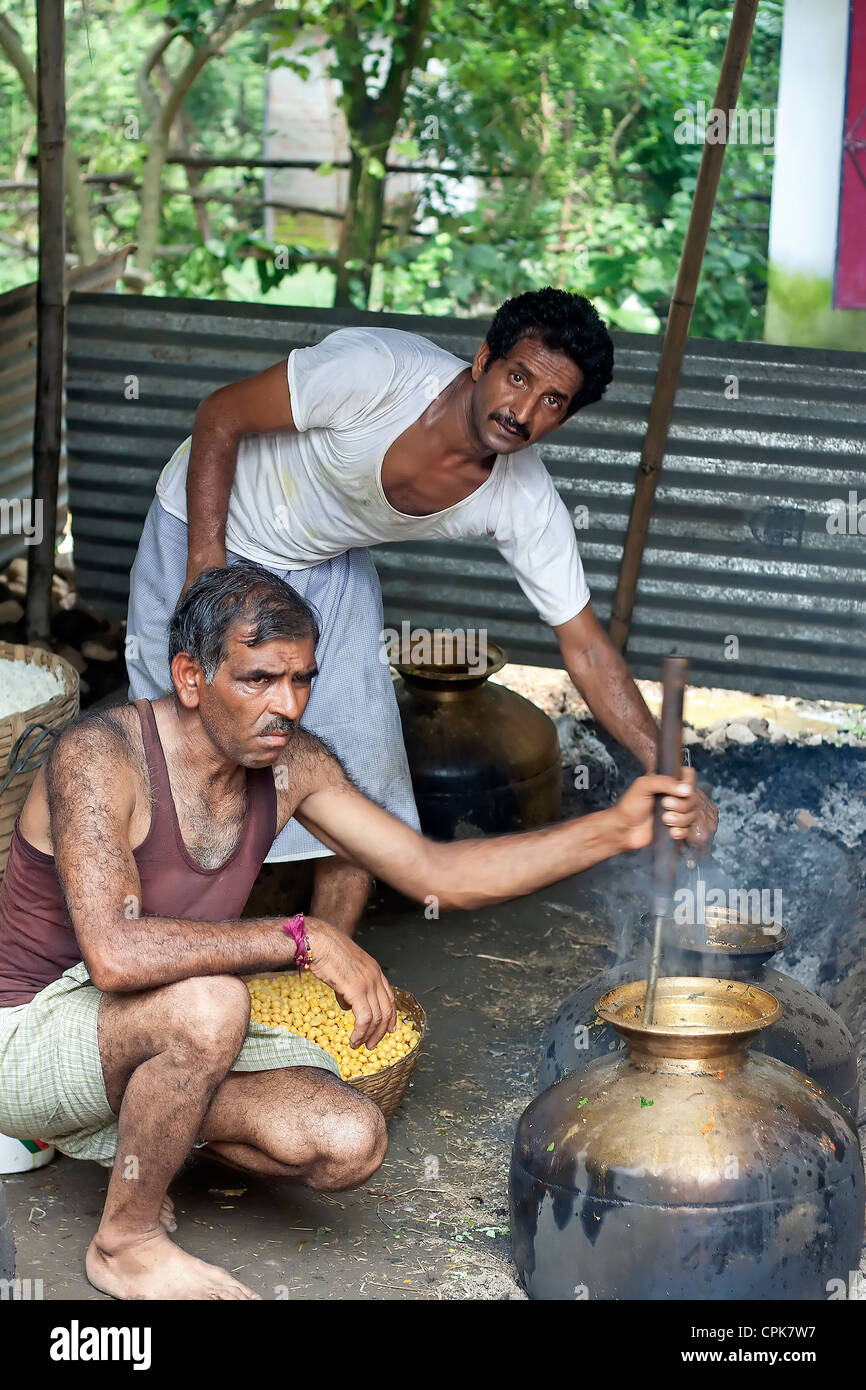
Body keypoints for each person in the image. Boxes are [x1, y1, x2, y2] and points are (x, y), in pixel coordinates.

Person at [0, 562, 698, 1301]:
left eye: (302, 679)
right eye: (260, 680)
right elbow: (113, 955)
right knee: (211, 1006)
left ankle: (143, 1146)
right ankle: (125, 1243)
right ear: (190, 677)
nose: (287, 706)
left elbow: (438, 873)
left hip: (145, 1036)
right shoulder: (99, 757)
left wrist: (615, 829)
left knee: (349, 1140)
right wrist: (303, 937)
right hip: (27, 1035)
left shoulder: (292, 765)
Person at [125, 286, 718, 933]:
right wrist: (206, 574)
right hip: (206, 519)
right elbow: (220, 416)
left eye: (552, 402)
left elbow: (588, 648)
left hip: (326, 560)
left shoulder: (523, 498)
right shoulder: (375, 374)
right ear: (483, 357)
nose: (522, 411)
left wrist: (667, 765)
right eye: (517, 377)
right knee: (188, 764)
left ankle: (326, 970)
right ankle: (171, 956)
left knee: (359, 770)